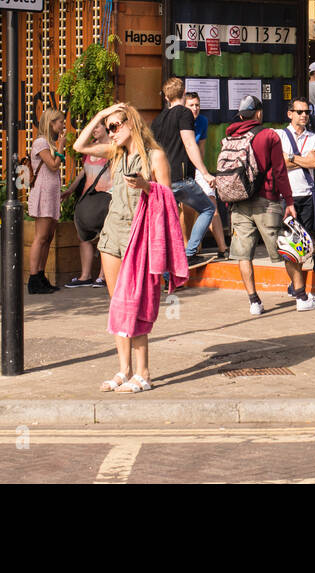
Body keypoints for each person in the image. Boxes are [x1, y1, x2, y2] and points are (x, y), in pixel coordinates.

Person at [73, 103, 186, 393]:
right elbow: (79, 145)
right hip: (112, 235)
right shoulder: (115, 153)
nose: (110, 133)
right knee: (118, 305)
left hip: (140, 236)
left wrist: (146, 186)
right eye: (107, 128)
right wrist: (101, 114)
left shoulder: (154, 156)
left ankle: (144, 372)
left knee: (135, 305)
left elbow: (168, 198)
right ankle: (123, 370)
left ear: (131, 123)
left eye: (115, 126)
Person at [225, 95, 315, 314]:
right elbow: (279, 171)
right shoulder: (269, 135)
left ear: (241, 114)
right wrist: (288, 201)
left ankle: (254, 302)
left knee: (243, 254)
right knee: (286, 249)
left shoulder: (231, 134)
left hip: (238, 203)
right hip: (266, 202)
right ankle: (301, 298)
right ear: (259, 113)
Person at [149, 77, 216, 268]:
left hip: (162, 181)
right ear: (184, 93)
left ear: (166, 97)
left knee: (168, 225)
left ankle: (167, 274)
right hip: (181, 178)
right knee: (208, 209)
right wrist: (205, 173)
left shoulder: (157, 120)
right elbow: (189, 143)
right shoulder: (184, 113)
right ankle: (189, 253)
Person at [65, 119, 113, 288]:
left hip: (107, 197)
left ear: (105, 128)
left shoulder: (113, 147)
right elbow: (83, 172)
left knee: (105, 236)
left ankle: (103, 276)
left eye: (96, 126)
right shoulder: (91, 147)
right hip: (88, 197)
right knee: (83, 235)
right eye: (91, 128)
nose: (93, 130)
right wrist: (70, 190)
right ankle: (85, 276)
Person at [281, 98, 315, 274]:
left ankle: (314, 254)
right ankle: (298, 280)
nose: (304, 115)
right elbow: (278, 163)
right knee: (293, 241)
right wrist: (305, 160)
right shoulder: (281, 135)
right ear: (290, 114)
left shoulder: (314, 137)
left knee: (306, 237)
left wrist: (290, 157)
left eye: (307, 112)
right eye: (300, 112)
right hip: (286, 196)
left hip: (307, 194)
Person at [26, 108, 67, 295]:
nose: (63, 125)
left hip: (51, 194)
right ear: (52, 123)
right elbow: (52, 165)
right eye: (60, 122)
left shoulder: (49, 142)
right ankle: (33, 278)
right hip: (43, 193)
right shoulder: (41, 142)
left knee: (48, 237)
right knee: (40, 237)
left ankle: (41, 275)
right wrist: (61, 147)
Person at [184, 91, 228, 258]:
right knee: (186, 207)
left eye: (197, 105)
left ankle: (222, 248)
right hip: (181, 170)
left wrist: (202, 172)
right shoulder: (180, 121)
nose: (195, 108)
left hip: (197, 168)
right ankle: (187, 246)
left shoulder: (202, 121)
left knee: (211, 203)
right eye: (191, 105)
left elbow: (200, 149)